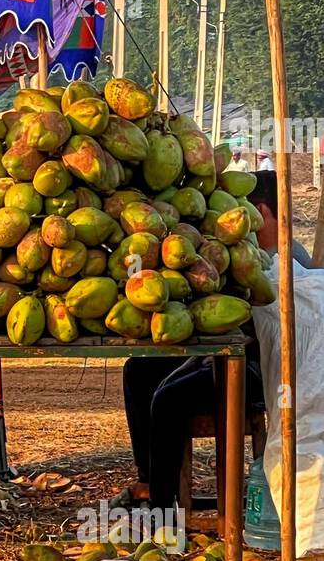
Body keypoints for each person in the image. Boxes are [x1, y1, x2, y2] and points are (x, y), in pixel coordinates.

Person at [118, 171, 313, 512]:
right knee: (141, 370)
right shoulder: (250, 255)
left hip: (262, 371)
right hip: (230, 358)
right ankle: (149, 480)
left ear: (262, 212)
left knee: (168, 398)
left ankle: (161, 507)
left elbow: (261, 335)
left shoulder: (286, 261)